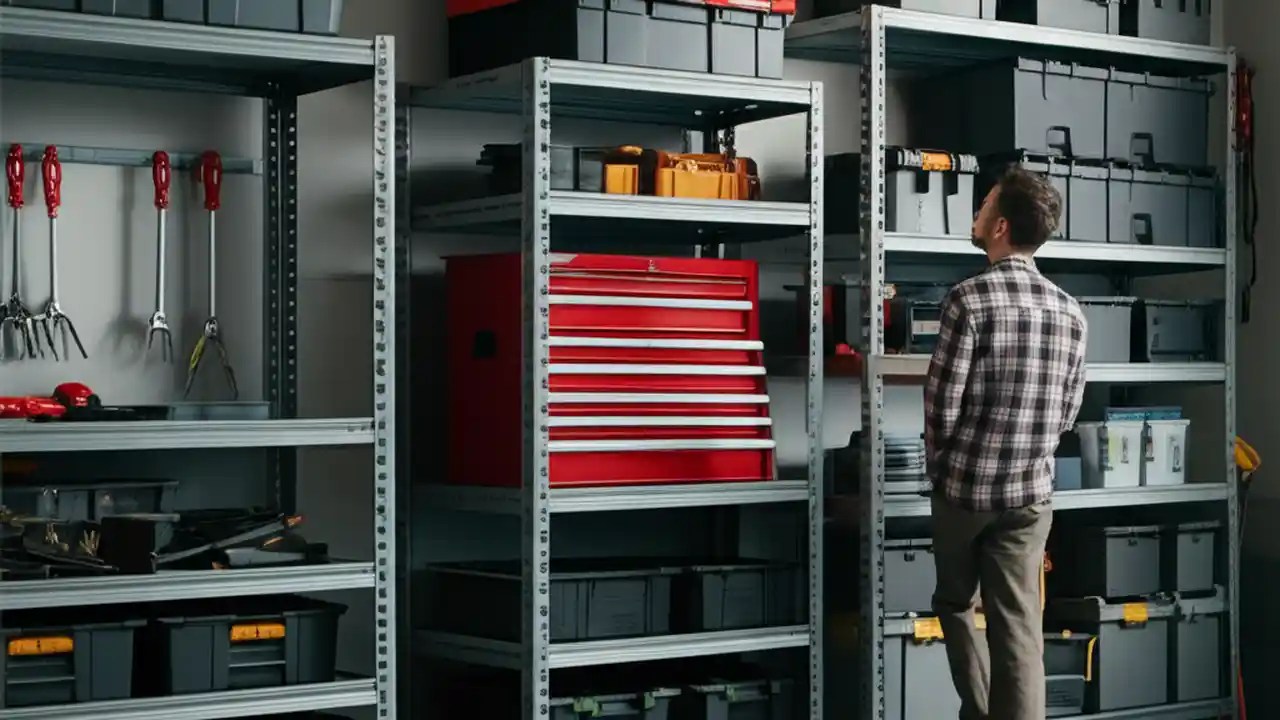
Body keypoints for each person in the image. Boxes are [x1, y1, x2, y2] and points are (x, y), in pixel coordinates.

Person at [924, 166, 1088, 720]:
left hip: (965, 490)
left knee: (955, 603)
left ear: (999, 227)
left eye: (984, 203)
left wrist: (941, 472)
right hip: (1030, 493)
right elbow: (1067, 413)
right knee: (1019, 625)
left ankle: (980, 711)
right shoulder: (1071, 312)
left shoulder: (967, 300)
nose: (977, 211)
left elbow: (941, 406)